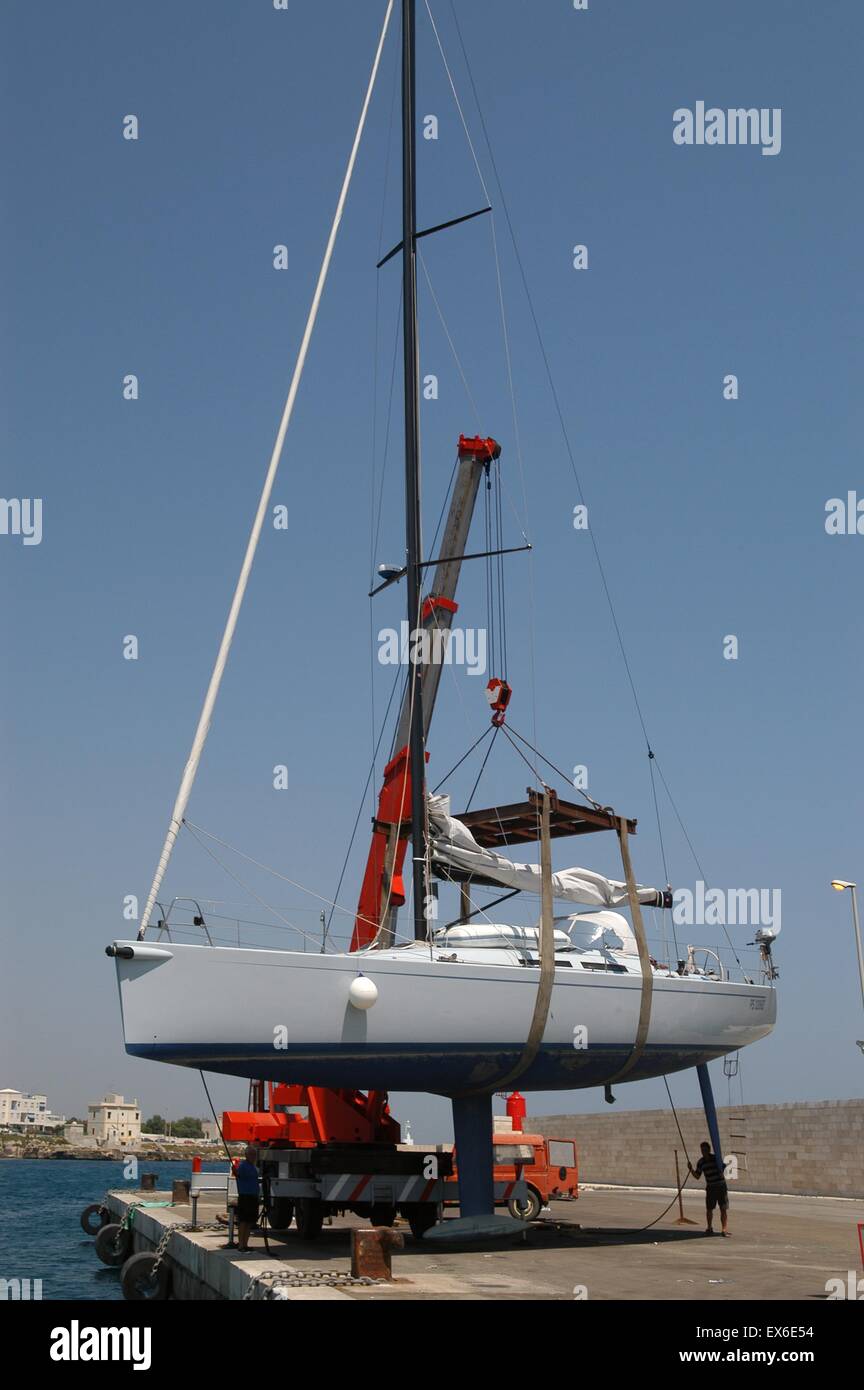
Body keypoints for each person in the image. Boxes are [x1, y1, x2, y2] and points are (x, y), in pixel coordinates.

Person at [688, 1140, 729, 1236]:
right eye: (702, 1150)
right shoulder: (701, 1162)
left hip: (720, 1186)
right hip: (710, 1187)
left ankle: (724, 1229)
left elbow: (723, 1167)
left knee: (723, 1208)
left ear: (709, 1150)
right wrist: (690, 1169)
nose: (703, 1152)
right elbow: (697, 1176)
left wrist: (721, 1171)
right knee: (709, 1208)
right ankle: (709, 1227)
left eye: (705, 1150)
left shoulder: (716, 1159)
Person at [233, 1145, 260, 1251]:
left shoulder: (253, 1167)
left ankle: (245, 1244)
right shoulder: (243, 1166)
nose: (253, 1157)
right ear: (246, 1155)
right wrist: (235, 1172)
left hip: (253, 1196)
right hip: (245, 1196)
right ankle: (241, 1245)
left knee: (250, 1222)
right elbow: (238, 1174)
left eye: (255, 1155)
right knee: (243, 1221)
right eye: (251, 1154)